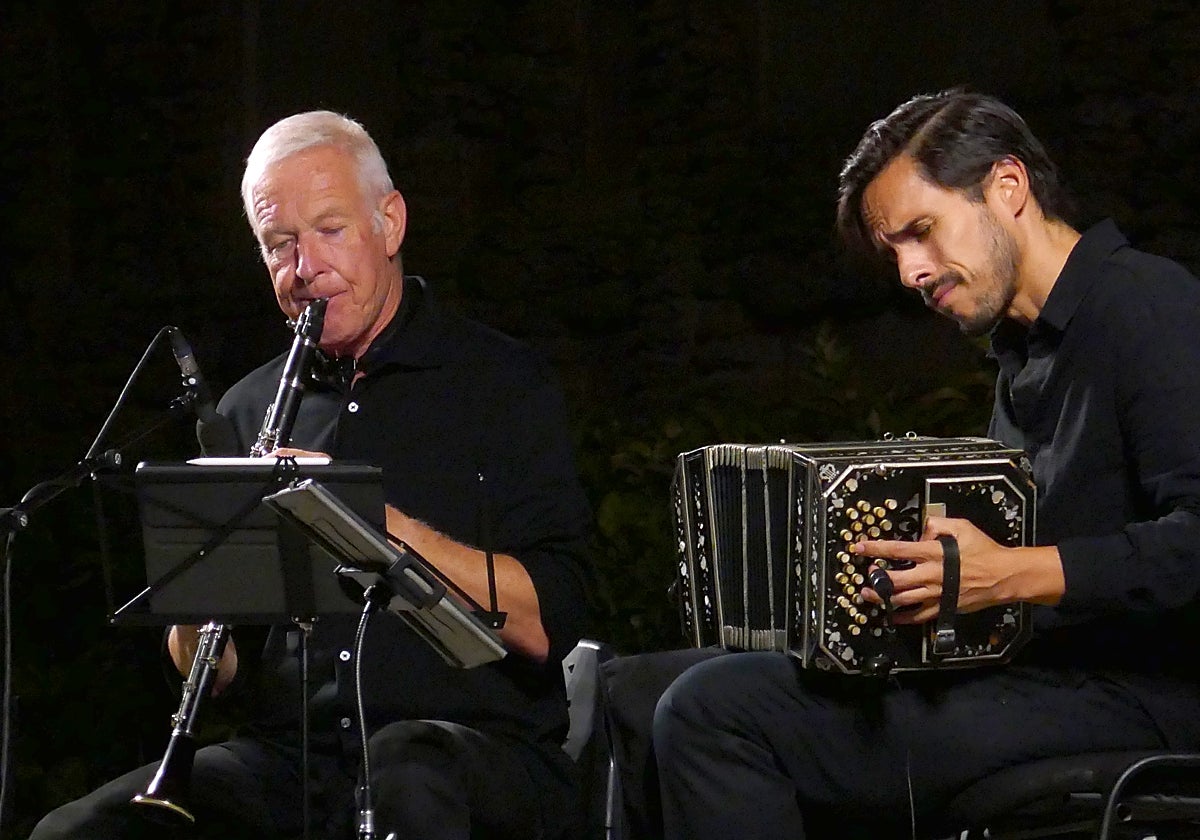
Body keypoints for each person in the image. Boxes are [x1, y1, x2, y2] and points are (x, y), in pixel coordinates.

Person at [650, 89, 1200, 839]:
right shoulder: (1023, 355)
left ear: (1008, 188)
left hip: (1147, 698)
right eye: (896, 252)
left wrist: (1010, 574)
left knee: (716, 712)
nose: (911, 271)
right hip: (1046, 680)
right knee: (650, 684)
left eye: (922, 231)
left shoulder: (1148, 303)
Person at [31, 111, 593, 840]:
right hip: (293, 760)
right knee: (79, 831)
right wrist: (200, 601)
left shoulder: (502, 384)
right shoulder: (246, 410)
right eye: (279, 245)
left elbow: (554, 620)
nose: (304, 269)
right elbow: (219, 675)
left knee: (405, 776)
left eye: (330, 230)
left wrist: (362, 520)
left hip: (472, 748)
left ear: (389, 223)